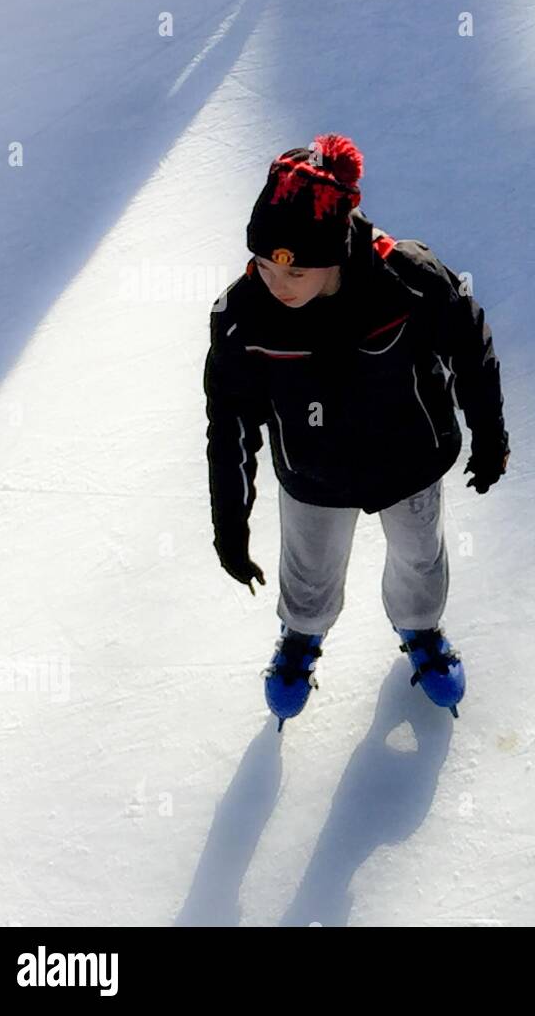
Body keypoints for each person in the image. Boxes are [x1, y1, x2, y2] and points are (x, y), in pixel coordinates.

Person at [203, 134, 508, 727]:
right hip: (313, 474)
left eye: (293, 269)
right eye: (263, 264)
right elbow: (230, 425)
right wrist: (230, 525)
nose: (275, 282)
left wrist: (489, 435)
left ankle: (419, 628)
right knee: (309, 569)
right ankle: (301, 634)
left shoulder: (409, 280)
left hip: (409, 461)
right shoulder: (244, 320)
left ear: (336, 253)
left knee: (421, 558)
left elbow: (472, 347)